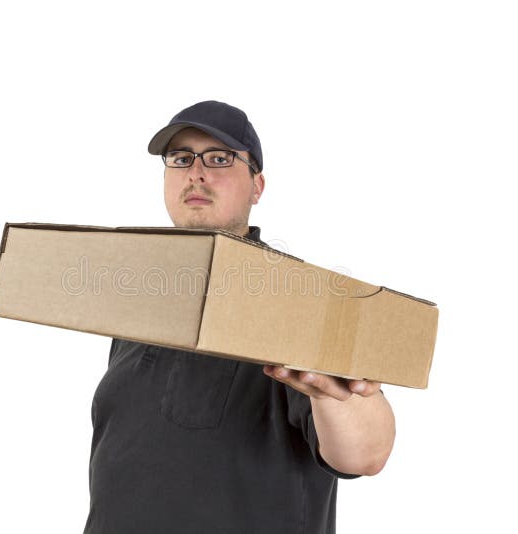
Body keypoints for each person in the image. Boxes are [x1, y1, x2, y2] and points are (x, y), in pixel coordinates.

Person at [83, 101, 395, 534]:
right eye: (181, 159)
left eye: (219, 159)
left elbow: (365, 454)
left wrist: (334, 398)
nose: (196, 173)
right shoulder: (141, 301)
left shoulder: (296, 298)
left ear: (257, 186)